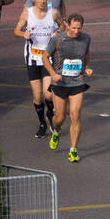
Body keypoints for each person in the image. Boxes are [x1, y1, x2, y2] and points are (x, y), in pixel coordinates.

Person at [12, 0, 63, 137]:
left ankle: (50, 114)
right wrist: (23, 34)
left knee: (48, 95)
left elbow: (62, 24)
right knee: (37, 96)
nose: (42, 1)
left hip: (48, 58)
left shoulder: (53, 13)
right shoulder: (27, 13)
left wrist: (57, 32)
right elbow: (16, 30)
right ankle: (42, 124)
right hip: (32, 58)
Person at [45, 13, 93, 162]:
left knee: (75, 115)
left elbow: (86, 53)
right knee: (60, 117)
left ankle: (73, 149)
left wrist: (87, 67)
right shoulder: (58, 39)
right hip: (60, 82)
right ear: (67, 25)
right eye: (74, 28)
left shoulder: (86, 38)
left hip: (77, 82)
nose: (76, 31)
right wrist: (53, 74)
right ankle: (56, 131)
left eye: (79, 28)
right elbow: (45, 56)